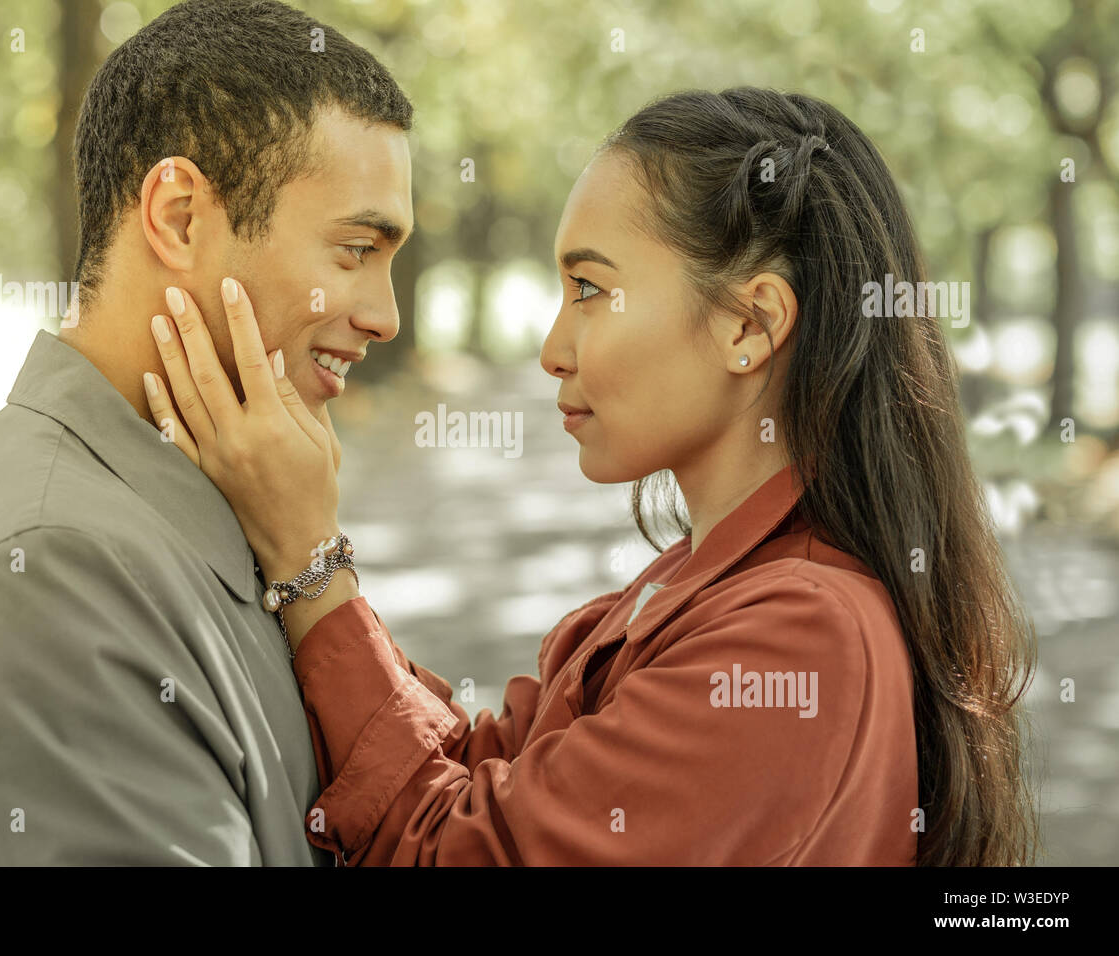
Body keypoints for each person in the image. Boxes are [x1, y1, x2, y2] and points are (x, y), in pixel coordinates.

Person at [143, 87, 1040, 866]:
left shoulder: (802, 636)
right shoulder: (697, 582)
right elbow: (479, 767)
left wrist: (310, 561)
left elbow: (447, 851)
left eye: (590, 290)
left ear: (750, 324)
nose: (551, 350)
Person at [0, 0, 412, 865]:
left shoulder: (216, 500)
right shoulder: (48, 573)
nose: (385, 317)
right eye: (354, 250)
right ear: (180, 218)